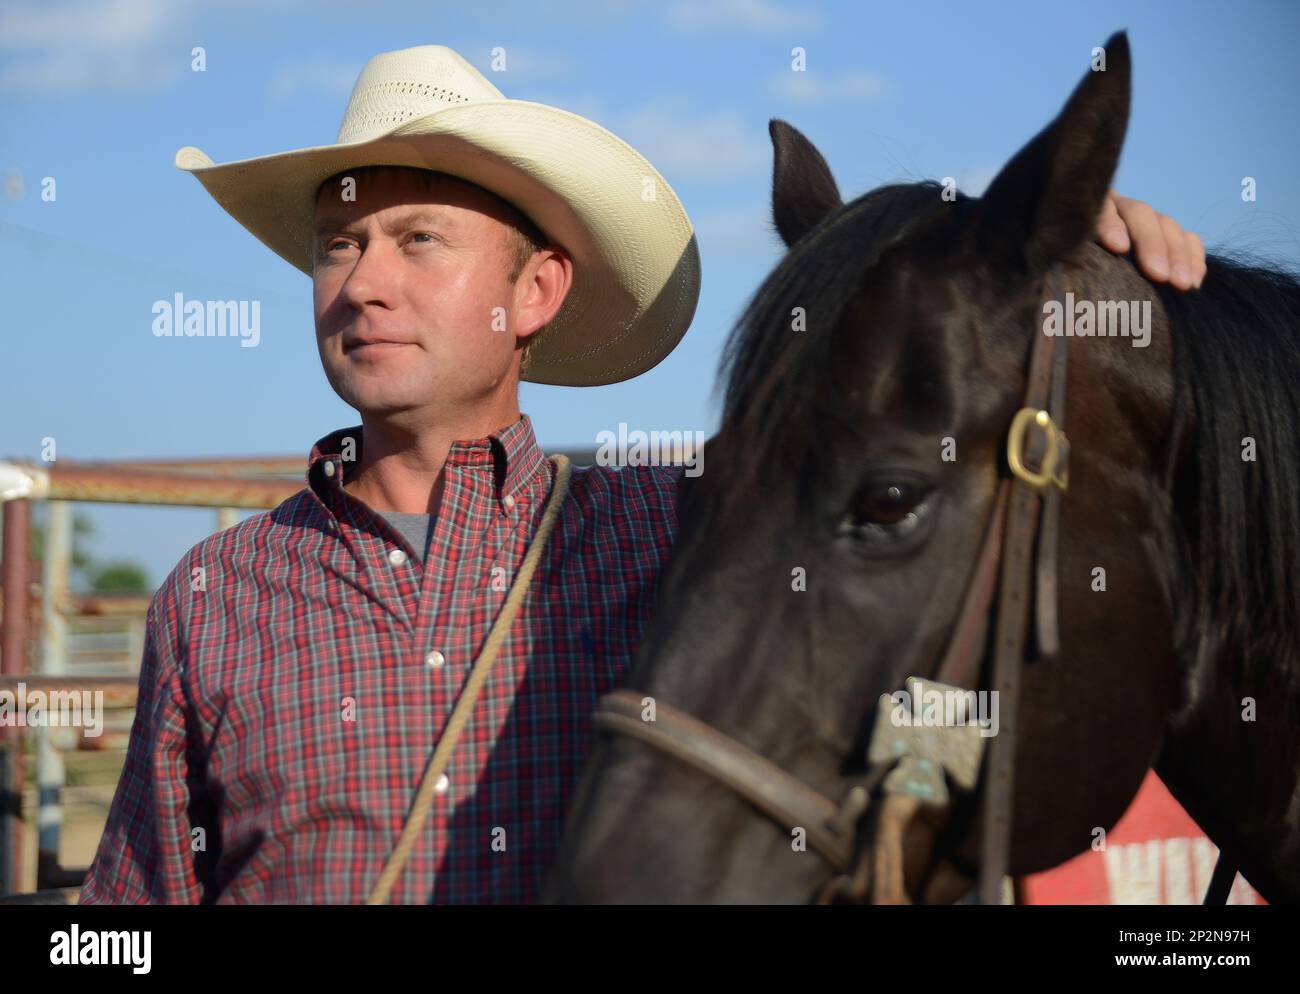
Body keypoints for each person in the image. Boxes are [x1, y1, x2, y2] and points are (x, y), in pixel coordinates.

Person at [79, 44, 1206, 904]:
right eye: (339, 245)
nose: (361, 282)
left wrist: (1070, 263)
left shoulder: (688, 534)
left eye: (417, 239)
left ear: (536, 294)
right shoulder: (212, 596)